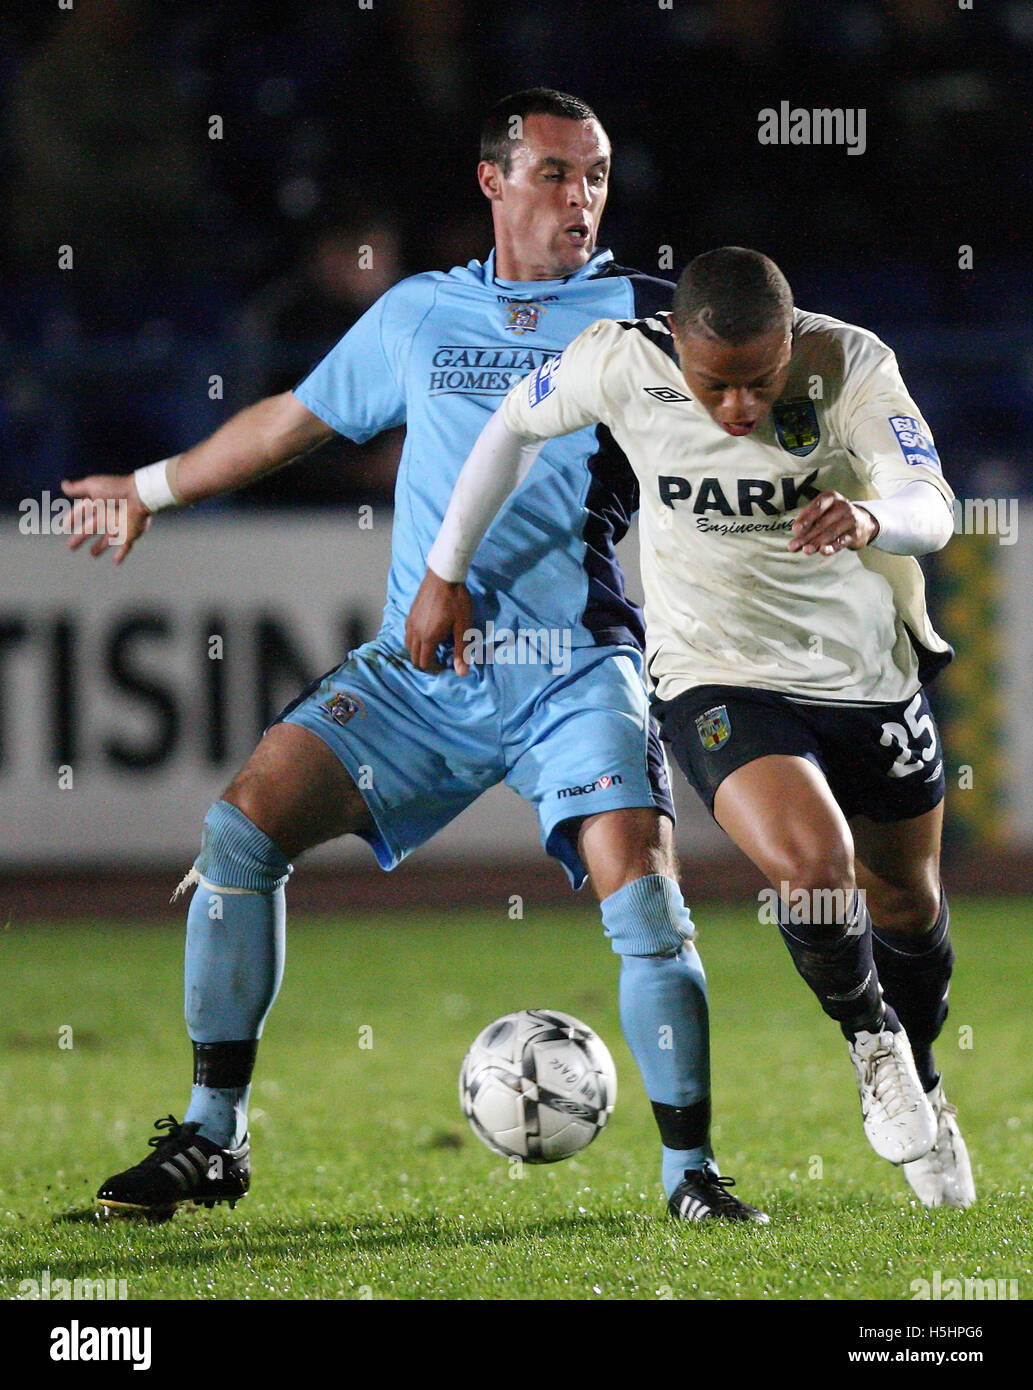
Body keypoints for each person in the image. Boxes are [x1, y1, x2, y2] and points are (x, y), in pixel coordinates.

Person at [62, 93, 766, 1225]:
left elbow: (779, 363)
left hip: (575, 665)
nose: (579, 197)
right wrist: (148, 489)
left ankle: (691, 1174)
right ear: (493, 182)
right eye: (552, 173)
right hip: (419, 671)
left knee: (642, 892)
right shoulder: (418, 314)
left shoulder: (648, 318)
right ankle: (212, 1134)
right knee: (242, 828)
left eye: (594, 175)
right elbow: (294, 418)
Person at [407, 245, 975, 1209]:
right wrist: (443, 568)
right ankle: (870, 1040)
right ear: (677, 345)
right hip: (716, 675)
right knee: (811, 863)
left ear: (790, 342)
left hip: (864, 673)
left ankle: (919, 1075)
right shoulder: (618, 359)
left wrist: (872, 517)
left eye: (761, 382)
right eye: (718, 386)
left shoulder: (849, 363)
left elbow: (933, 503)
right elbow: (511, 424)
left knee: (906, 904)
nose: (740, 409)